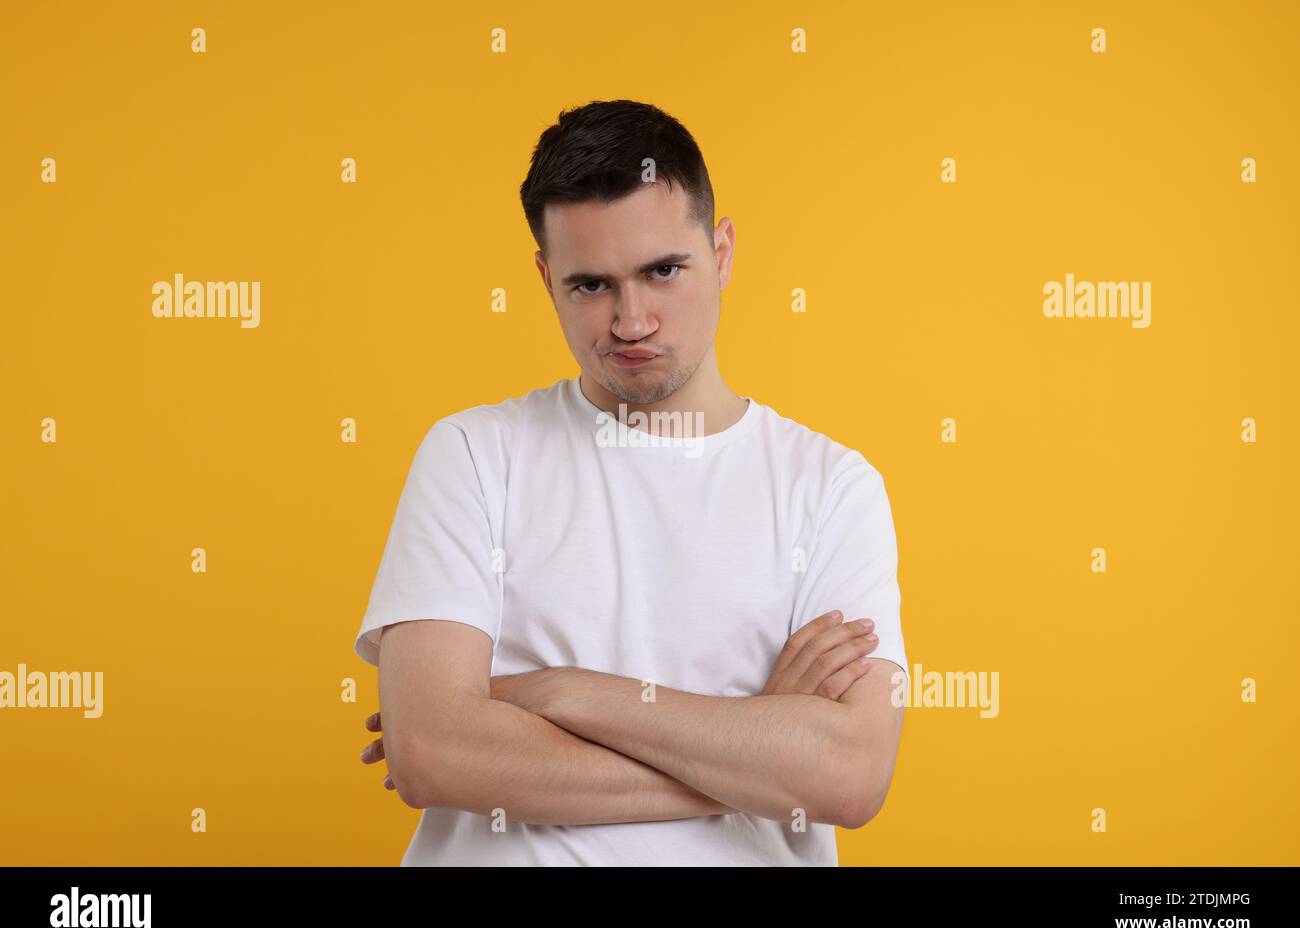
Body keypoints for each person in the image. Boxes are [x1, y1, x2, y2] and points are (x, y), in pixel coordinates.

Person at [354, 99, 908, 866]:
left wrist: (564, 692)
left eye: (663, 270)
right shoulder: (474, 455)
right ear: (547, 280)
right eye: (591, 286)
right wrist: (757, 744)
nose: (631, 320)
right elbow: (431, 752)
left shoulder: (833, 487)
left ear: (722, 252)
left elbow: (848, 776)